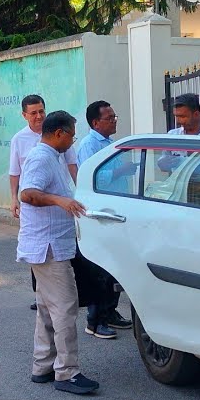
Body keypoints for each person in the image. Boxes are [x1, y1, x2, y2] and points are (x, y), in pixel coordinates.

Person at [18, 111, 99, 395]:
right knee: (64, 308)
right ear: (59, 134)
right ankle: (66, 372)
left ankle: (43, 365)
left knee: (47, 308)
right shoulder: (41, 157)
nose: (73, 140)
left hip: (52, 245)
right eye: (72, 135)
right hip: (48, 247)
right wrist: (59, 200)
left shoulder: (54, 157)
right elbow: (26, 194)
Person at [74, 101, 132, 339]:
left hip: (116, 212)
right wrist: (121, 170)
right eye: (109, 117)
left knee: (116, 268)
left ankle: (110, 311)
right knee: (99, 268)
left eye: (114, 115)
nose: (114, 120)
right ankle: (95, 320)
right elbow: (92, 178)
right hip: (100, 215)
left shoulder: (112, 144)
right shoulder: (89, 146)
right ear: (96, 123)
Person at [10, 95, 78, 220]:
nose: (39, 116)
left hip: (60, 196)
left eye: (41, 111)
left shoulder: (60, 134)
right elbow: (15, 172)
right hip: (35, 199)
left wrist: (80, 191)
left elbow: (72, 165)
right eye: (33, 113)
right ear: (24, 115)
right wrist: (14, 198)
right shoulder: (18, 139)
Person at [158, 93, 200, 172]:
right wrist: (163, 163)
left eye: (182, 117)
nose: (178, 121)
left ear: (196, 114)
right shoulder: (172, 136)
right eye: (176, 116)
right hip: (177, 183)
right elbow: (163, 167)